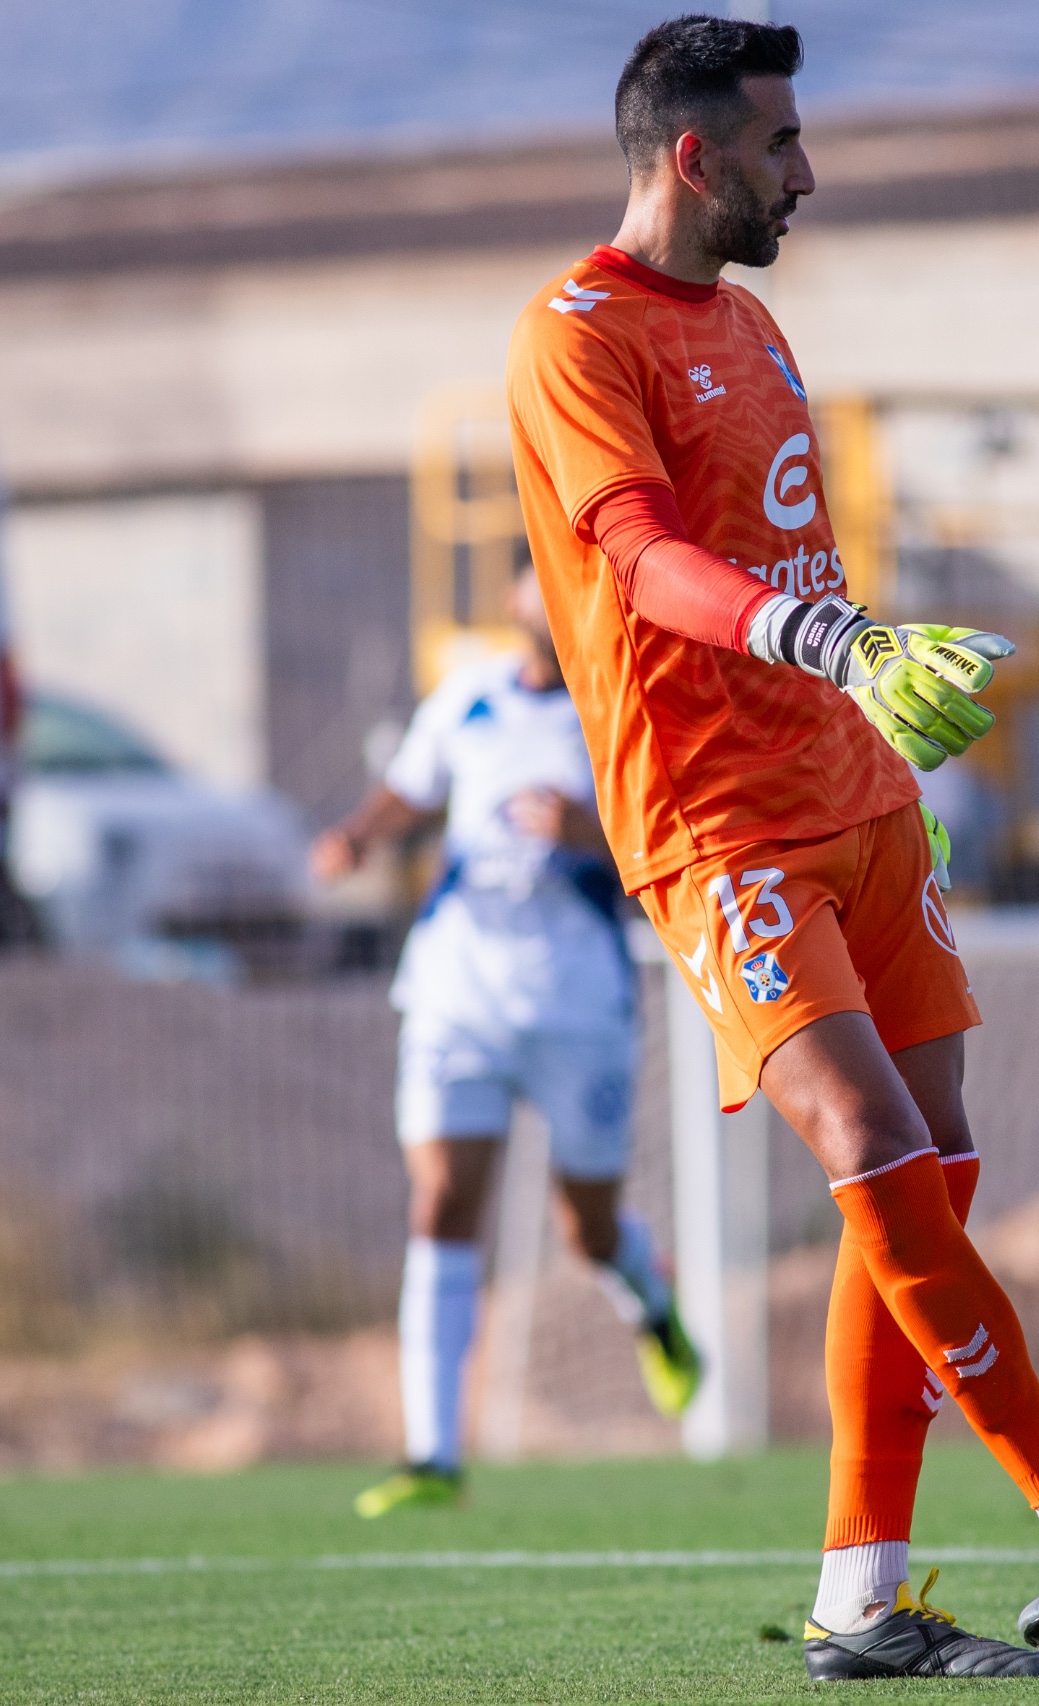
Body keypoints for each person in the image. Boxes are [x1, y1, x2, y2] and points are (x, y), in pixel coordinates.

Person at [505, 15, 1039, 1681]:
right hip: (716, 824)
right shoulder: (574, 336)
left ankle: (865, 1602)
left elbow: (793, 550)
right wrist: (832, 644)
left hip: (859, 802)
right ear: (694, 155)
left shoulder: (756, 323)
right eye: (784, 143)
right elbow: (644, 566)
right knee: (866, 1139)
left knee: (929, 1170)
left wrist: (879, 679)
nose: (811, 171)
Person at [312, 564, 700, 1517]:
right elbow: (408, 789)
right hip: (458, 993)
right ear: (516, 598)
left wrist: (589, 834)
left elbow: (678, 836)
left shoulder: (625, 699)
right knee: (443, 1199)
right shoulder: (468, 696)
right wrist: (358, 838)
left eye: (561, 573)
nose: (542, 589)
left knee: (587, 1230)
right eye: (531, 573)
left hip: (577, 1002)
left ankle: (650, 1298)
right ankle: (432, 1456)